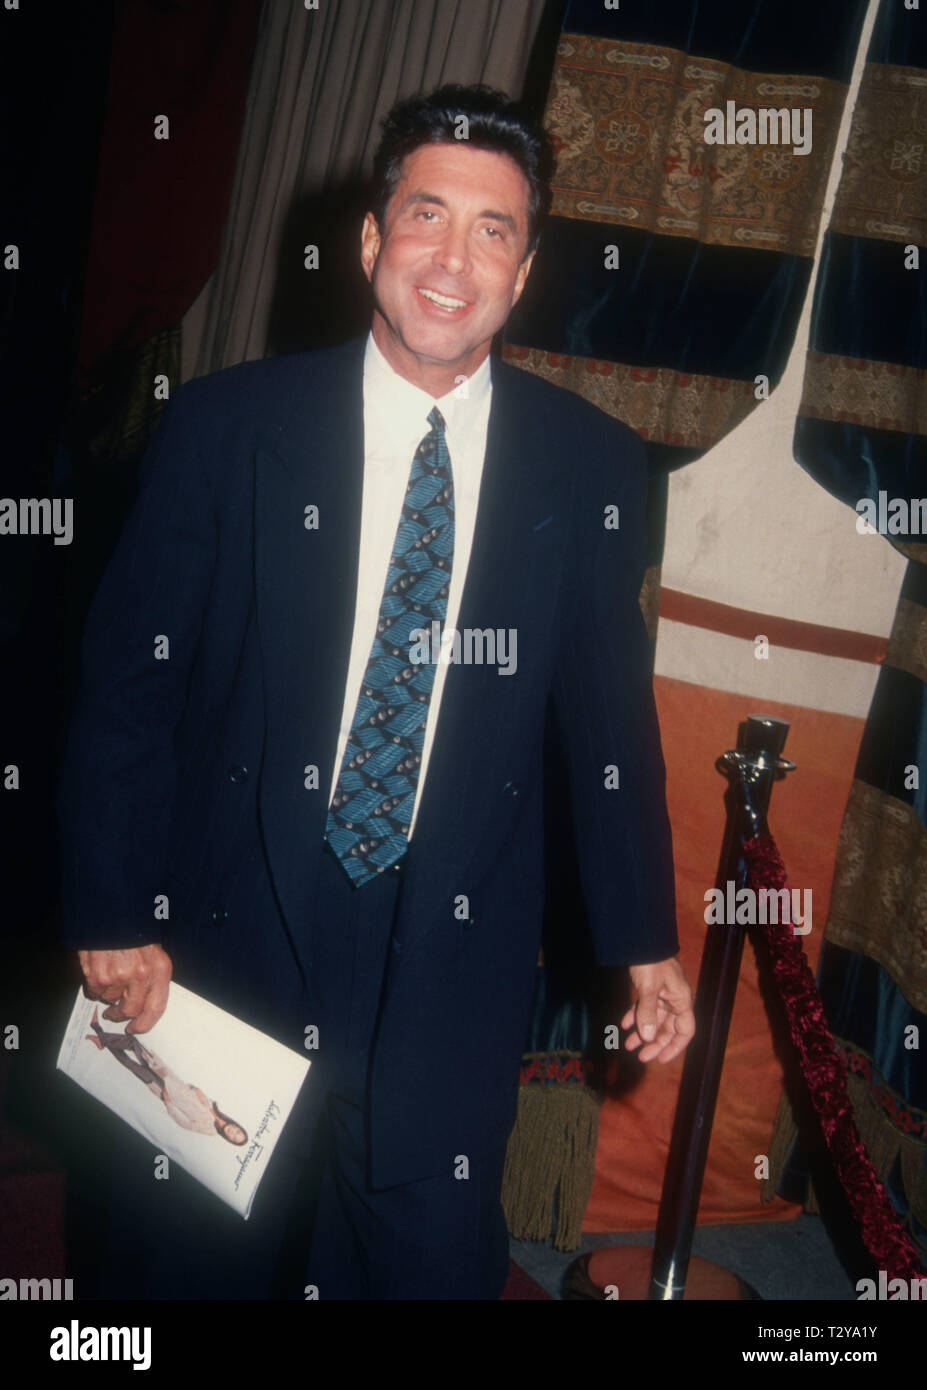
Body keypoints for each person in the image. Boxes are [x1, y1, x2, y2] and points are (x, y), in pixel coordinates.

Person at [58, 84, 695, 1300]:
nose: (453, 261)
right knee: (185, 1262)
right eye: (425, 216)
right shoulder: (224, 429)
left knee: (422, 1268)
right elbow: (127, 689)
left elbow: (607, 717)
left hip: (455, 944)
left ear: (525, 267)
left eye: (493, 230)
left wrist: (642, 937)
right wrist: (107, 900)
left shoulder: (594, 463)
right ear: (370, 240)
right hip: (229, 922)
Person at [85, 1009, 248, 1144]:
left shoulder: (210, 1130)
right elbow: (198, 1095)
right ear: (236, 1125)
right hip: (170, 1078)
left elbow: (185, 1123)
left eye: (234, 1137)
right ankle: (101, 1037)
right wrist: (196, 1090)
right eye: (237, 1131)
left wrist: (169, 1104)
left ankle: (98, 1030)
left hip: (164, 1091)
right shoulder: (217, 1107)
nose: (232, 1132)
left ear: (229, 1139)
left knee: (131, 1065)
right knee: (136, 1045)